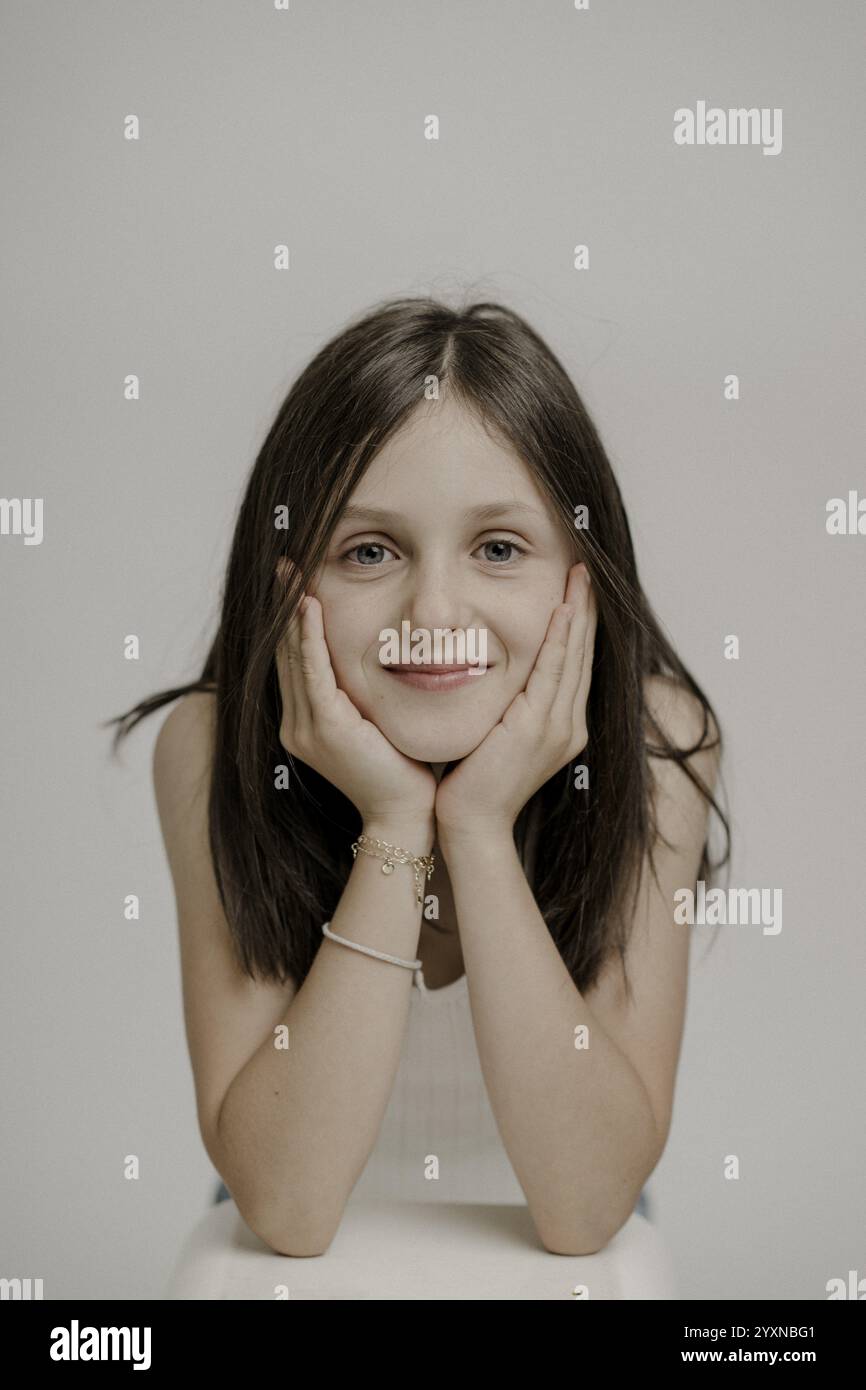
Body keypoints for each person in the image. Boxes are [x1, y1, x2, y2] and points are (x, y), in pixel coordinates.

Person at [106, 296, 729, 1259]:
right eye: (368, 551)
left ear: (584, 578)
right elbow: (286, 1206)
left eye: (498, 548)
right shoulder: (208, 744)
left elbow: (586, 1209)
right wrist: (394, 823)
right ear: (289, 585)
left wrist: (478, 829)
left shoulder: (656, 746)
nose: (433, 608)